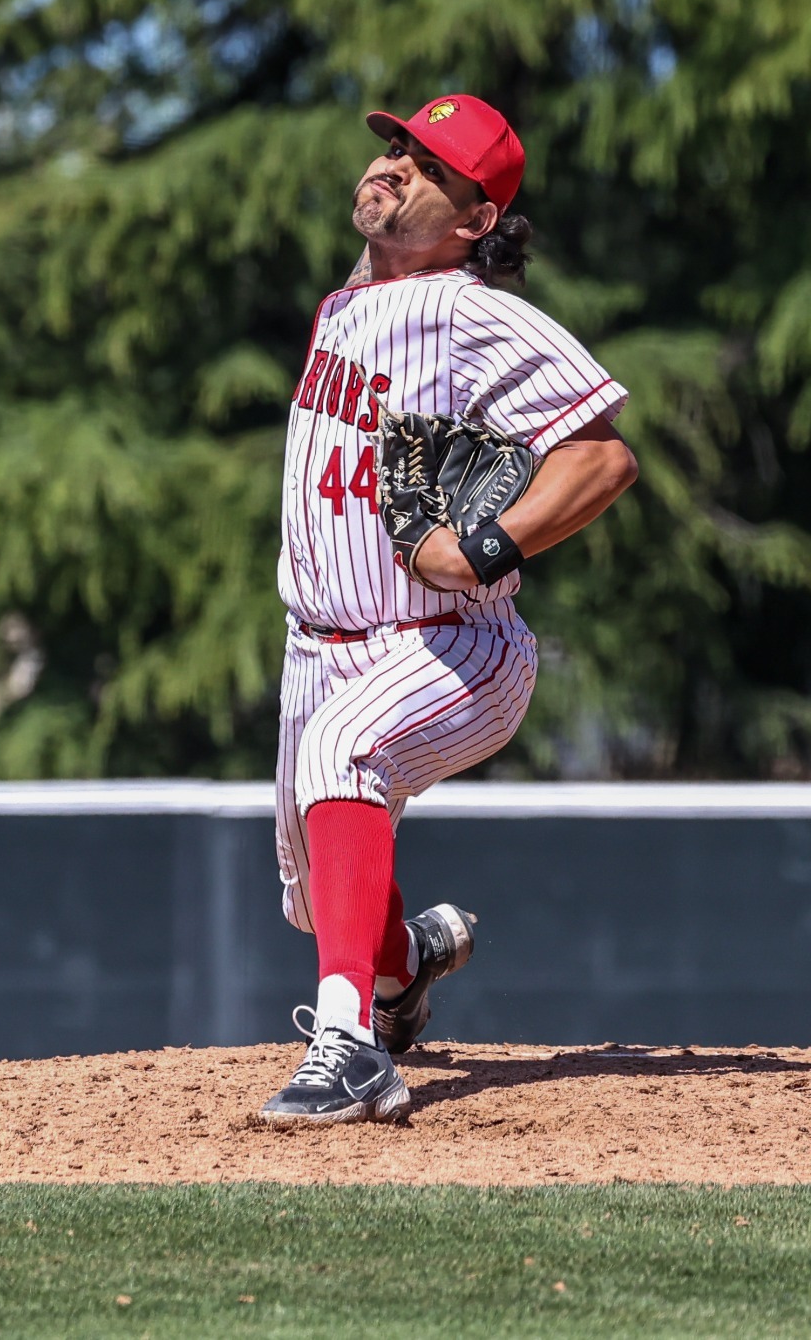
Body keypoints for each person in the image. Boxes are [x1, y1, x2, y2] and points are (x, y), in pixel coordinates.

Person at [261, 94, 639, 1124]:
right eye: (392, 146)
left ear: (474, 221)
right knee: (316, 902)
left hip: (447, 644)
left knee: (344, 754)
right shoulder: (347, 307)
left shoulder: (473, 312)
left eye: (423, 165)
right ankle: (405, 962)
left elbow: (602, 454)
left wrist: (482, 548)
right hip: (317, 648)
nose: (391, 165)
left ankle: (351, 1051)